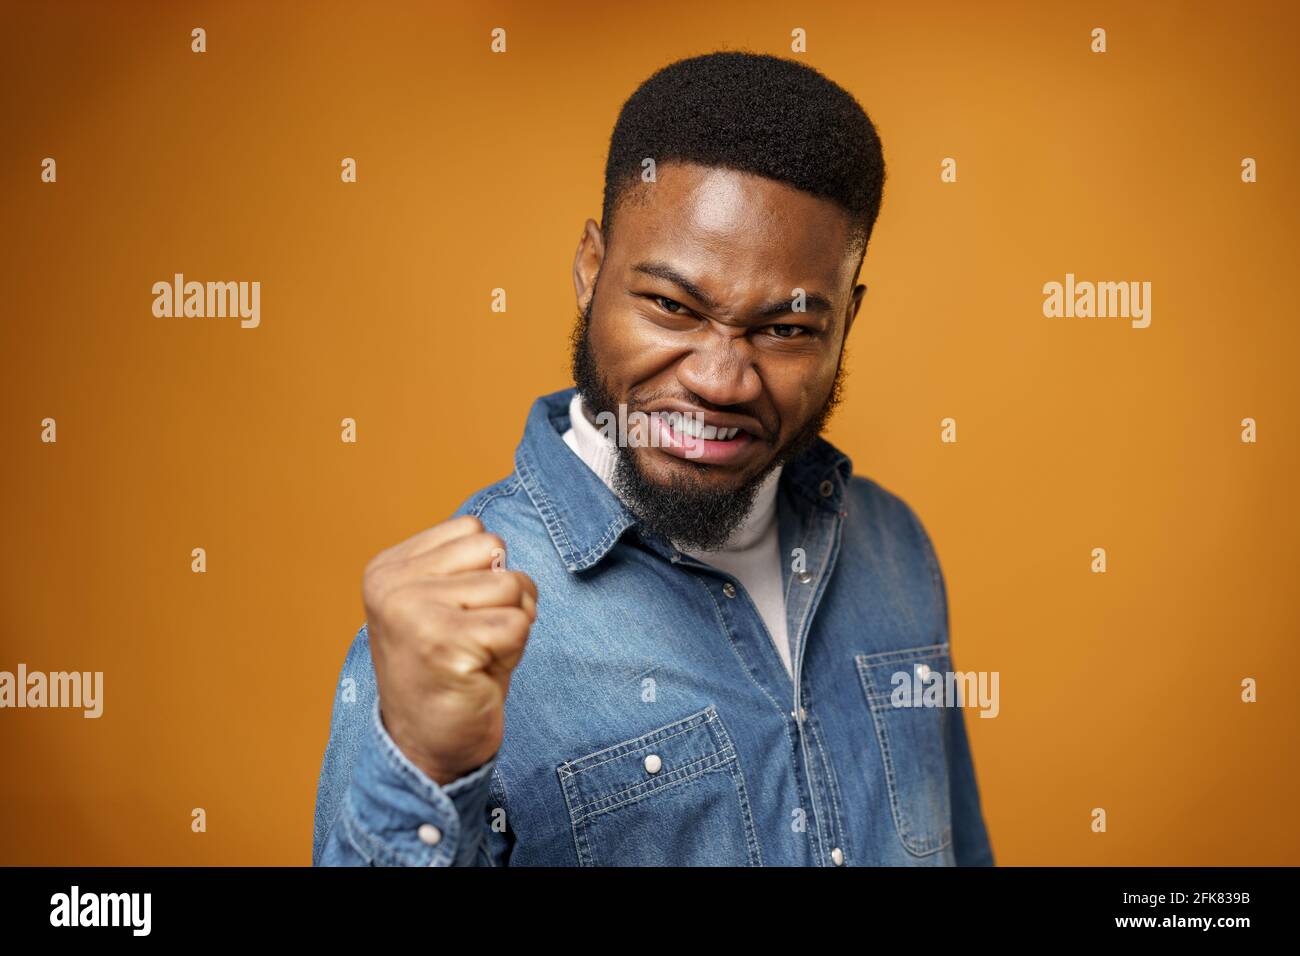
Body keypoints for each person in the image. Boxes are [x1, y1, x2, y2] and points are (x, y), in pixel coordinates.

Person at [313, 50, 994, 867]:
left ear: (846, 322)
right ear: (590, 269)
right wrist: (423, 763)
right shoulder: (448, 636)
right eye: (672, 306)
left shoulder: (893, 550)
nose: (720, 380)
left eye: (786, 330)